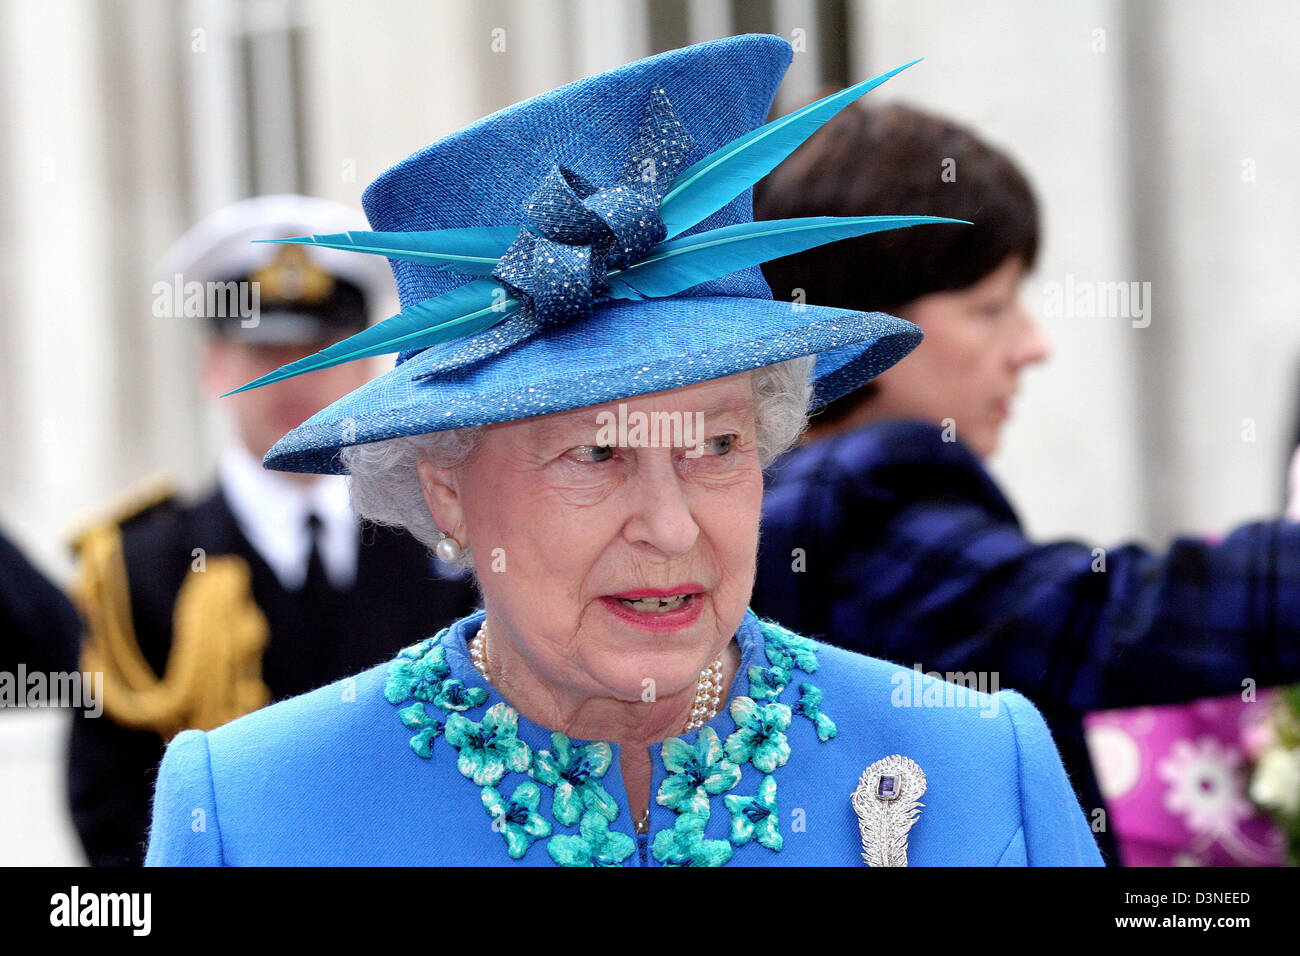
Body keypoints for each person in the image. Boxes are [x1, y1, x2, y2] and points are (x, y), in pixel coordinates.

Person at [144, 35, 1101, 867]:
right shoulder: (253, 811)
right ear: (444, 487)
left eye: (718, 444)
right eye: (595, 455)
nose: (672, 524)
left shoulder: (978, 767)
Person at [751, 101, 1300, 865]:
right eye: (990, 309)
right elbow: (1104, 619)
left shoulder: (776, 492)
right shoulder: (853, 500)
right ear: (859, 324)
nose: (1032, 346)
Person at [68, 196, 481, 866]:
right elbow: (110, 811)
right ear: (214, 369)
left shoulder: (450, 540)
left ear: (367, 367)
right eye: (265, 349)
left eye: (320, 348)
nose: (294, 376)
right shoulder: (137, 568)